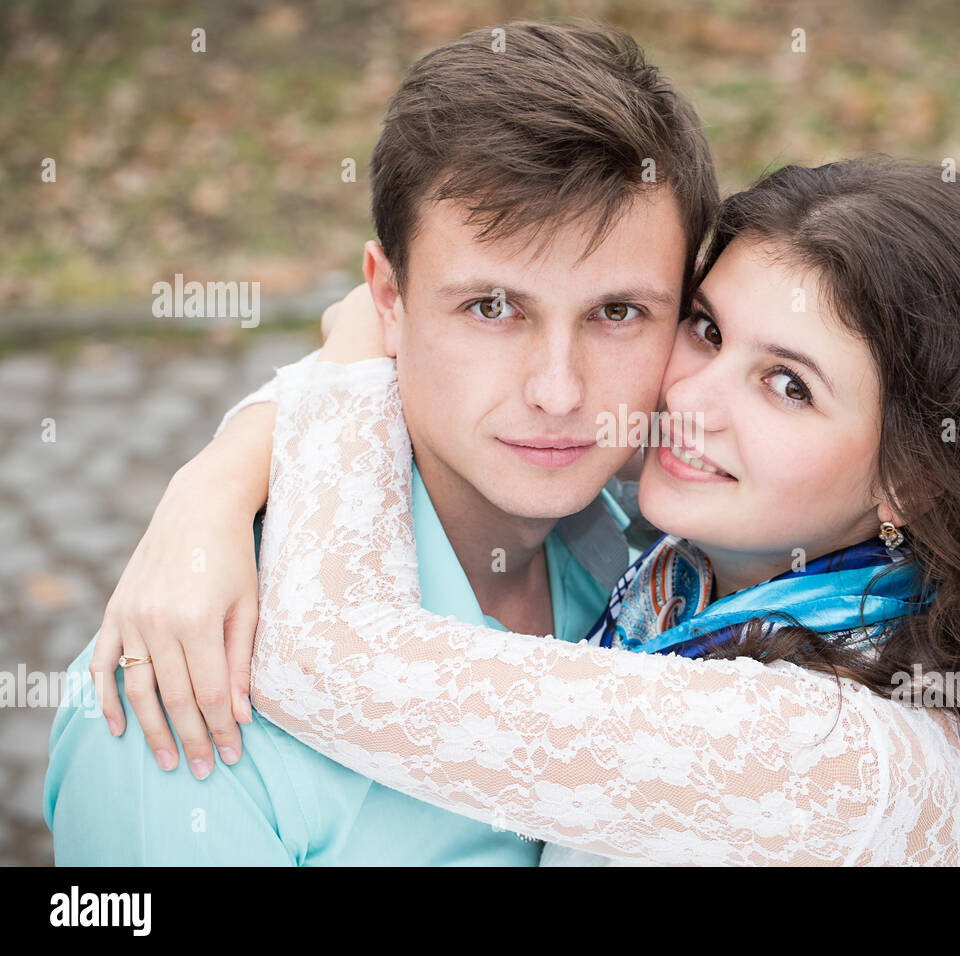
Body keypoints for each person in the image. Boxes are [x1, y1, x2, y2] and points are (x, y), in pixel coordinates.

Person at [82, 157, 960, 865]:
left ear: (915, 479)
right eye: (704, 328)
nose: (688, 400)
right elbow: (506, 406)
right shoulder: (705, 567)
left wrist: (356, 360)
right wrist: (218, 476)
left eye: (788, 385)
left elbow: (337, 659)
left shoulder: (845, 752)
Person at [43, 20, 716, 865]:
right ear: (387, 302)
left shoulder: (676, 550)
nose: (559, 392)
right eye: (491, 308)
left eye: (617, 313)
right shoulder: (176, 704)